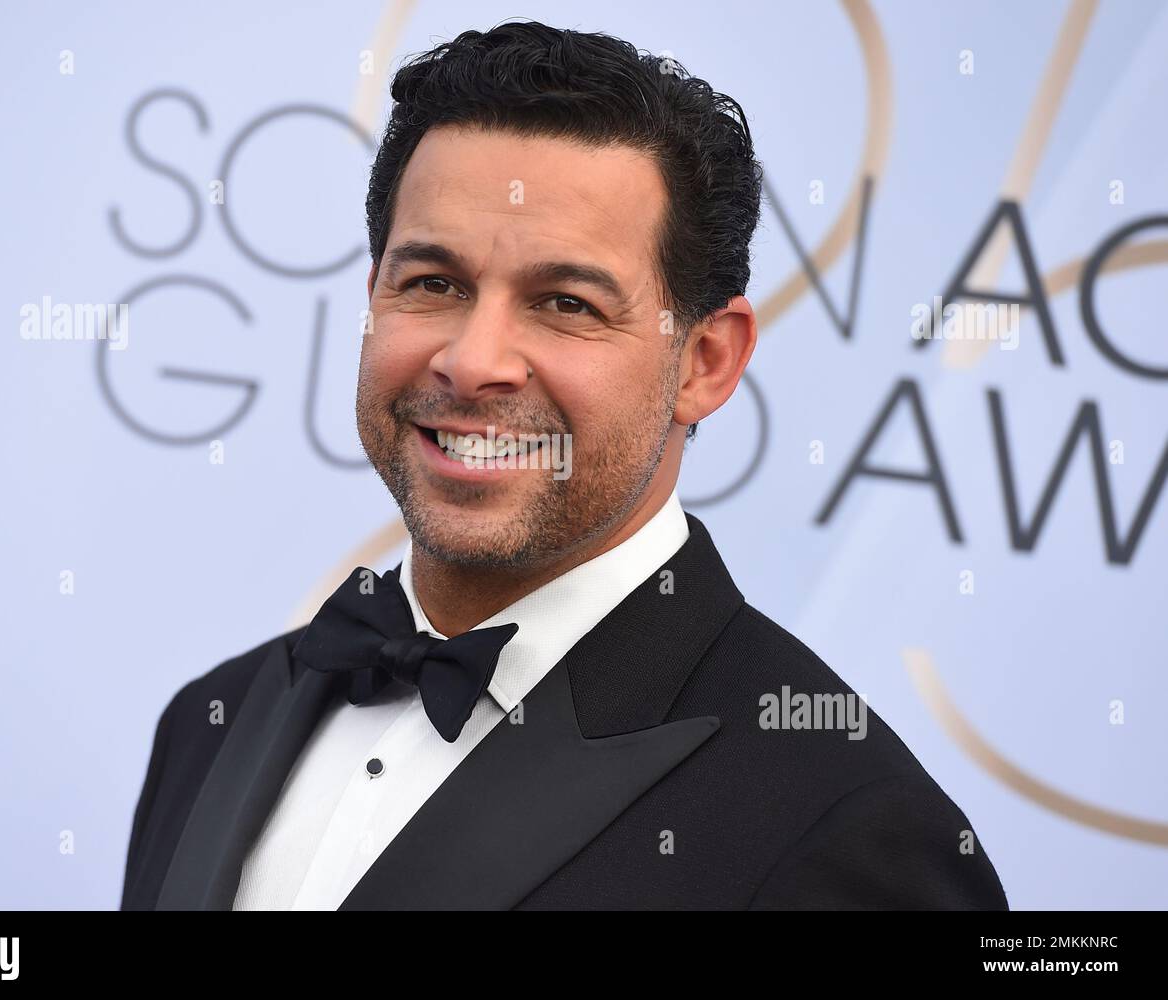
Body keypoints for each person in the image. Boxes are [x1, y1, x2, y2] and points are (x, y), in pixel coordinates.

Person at [121, 20, 1008, 910]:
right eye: (434, 284)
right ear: (373, 299)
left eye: (565, 303)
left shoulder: (845, 827)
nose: (474, 362)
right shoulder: (216, 718)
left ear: (705, 361)